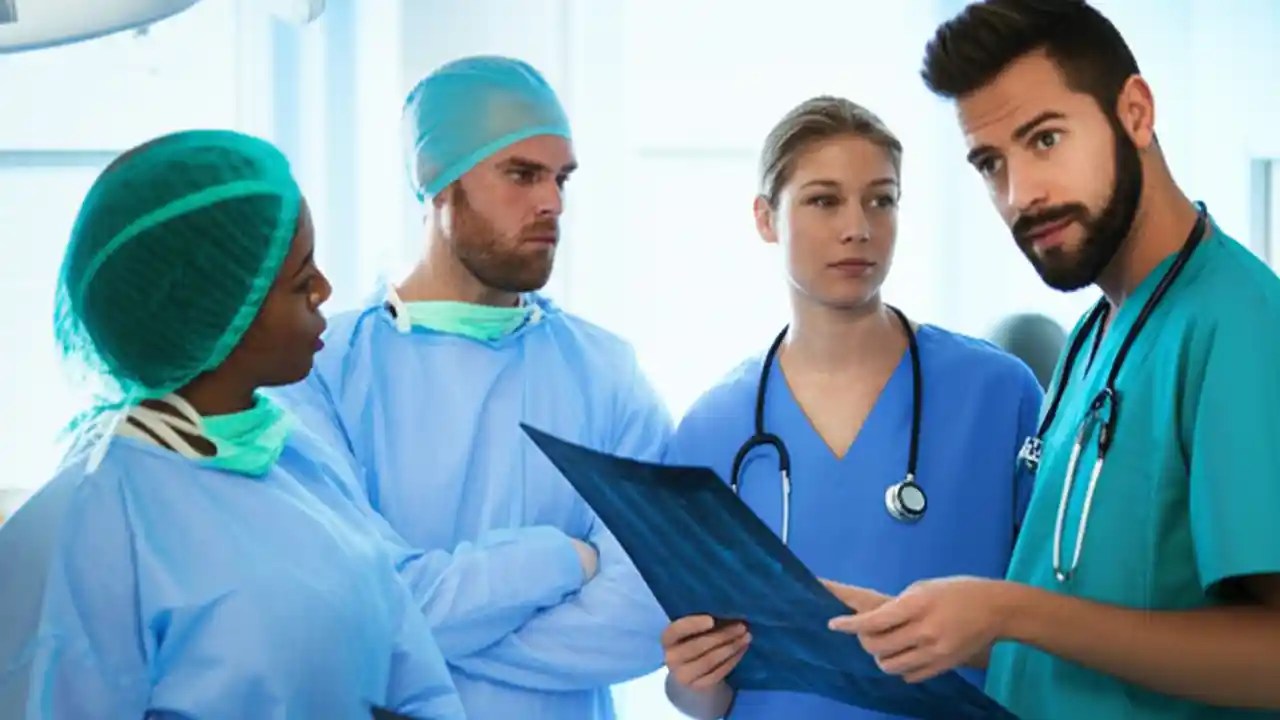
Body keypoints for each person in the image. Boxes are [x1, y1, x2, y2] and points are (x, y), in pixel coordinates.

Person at [825, 2, 1280, 718]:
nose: (1019, 194)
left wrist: (1009, 611)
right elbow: (1097, 621)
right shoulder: (1092, 336)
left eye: (1045, 139)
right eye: (990, 163)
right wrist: (926, 626)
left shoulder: (1238, 323)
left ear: (1135, 111)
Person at [4, 129, 465, 720]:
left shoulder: (298, 462)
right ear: (216, 305)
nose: (325, 290)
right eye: (302, 279)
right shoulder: (87, 525)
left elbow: (410, 672)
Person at [275, 55, 672, 719]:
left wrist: (419, 632)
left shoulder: (607, 373)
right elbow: (347, 606)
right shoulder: (321, 368)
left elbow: (653, 608)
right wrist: (560, 560)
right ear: (438, 181)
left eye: (561, 178)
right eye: (521, 174)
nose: (551, 202)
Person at [656, 96, 1044, 719]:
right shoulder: (710, 430)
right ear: (766, 218)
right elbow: (704, 700)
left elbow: (1056, 636)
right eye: (823, 200)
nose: (857, 227)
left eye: (880, 199)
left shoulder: (998, 394)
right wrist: (692, 679)